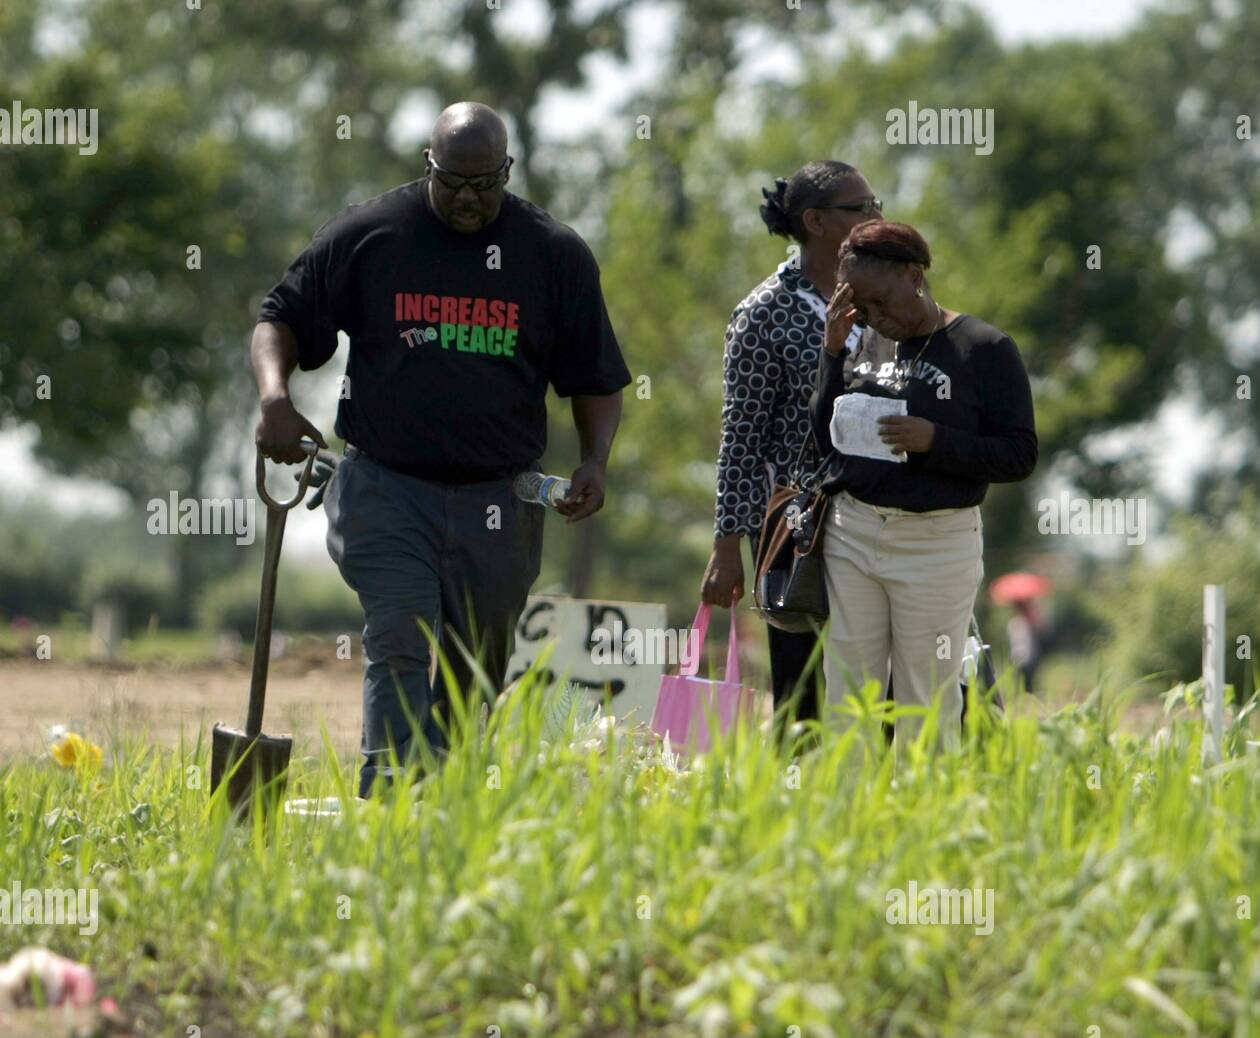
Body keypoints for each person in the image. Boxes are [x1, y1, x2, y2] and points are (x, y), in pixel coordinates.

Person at [252, 102, 631, 796]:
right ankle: (391, 794)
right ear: (428, 166)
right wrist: (276, 398)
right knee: (400, 633)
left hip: (501, 497)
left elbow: (597, 380)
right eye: (452, 182)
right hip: (386, 487)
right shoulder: (371, 235)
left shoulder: (553, 254)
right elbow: (280, 319)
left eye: (484, 184)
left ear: (507, 172)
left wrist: (595, 460)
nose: (467, 199)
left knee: (475, 667)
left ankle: (447, 801)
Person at [810, 221, 1038, 747]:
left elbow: (1019, 454)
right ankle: (850, 820)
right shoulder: (862, 343)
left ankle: (924, 819)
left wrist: (935, 439)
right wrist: (831, 352)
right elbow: (827, 439)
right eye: (857, 304)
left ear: (914, 276)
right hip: (855, 531)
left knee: (927, 696)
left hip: (936, 542)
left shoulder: (984, 348)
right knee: (849, 696)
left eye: (879, 300)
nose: (872, 315)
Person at [700, 161, 887, 732]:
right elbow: (742, 437)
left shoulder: (888, 299)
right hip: (796, 527)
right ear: (815, 222)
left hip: (882, 510)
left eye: (876, 203)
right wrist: (728, 544)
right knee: (801, 681)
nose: (876, 215)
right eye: (860, 208)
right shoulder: (765, 314)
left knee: (881, 679)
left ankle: (883, 799)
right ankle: (794, 797)